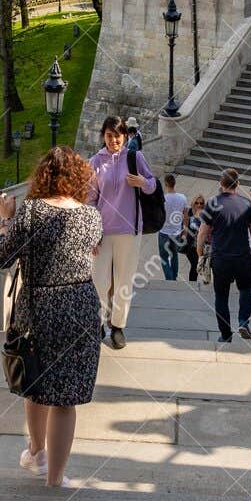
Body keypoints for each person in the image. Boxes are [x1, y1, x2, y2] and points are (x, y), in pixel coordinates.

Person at [0, 146, 103, 489]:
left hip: (39, 305)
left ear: (42, 177)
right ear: (78, 178)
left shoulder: (30, 213)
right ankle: (56, 478)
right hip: (81, 303)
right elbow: (92, 249)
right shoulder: (91, 216)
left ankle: (36, 451)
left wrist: (5, 218)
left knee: (36, 378)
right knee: (66, 398)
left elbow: (0, 257)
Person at [86, 115, 158, 349]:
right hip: (103, 233)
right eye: (109, 136)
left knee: (124, 283)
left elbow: (152, 184)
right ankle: (97, 324)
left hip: (129, 231)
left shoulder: (135, 157)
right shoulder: (95, 162)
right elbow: (90, 200)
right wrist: (91, 233)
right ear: (103, 137)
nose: (113, 140)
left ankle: (117, 327)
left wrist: (141, 183)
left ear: (125, 136)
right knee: (99, 281)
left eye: (117, 135)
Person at [199, 168, 251, 343]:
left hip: (221, 257)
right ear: (238, 184)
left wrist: (199, 250)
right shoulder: (247, 204)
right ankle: (243, 321)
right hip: (242, 256)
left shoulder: (212, 203)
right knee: (246, 289)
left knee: (221, 296)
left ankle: (225, 334)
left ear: (221, 184)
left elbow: (203, 232)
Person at [160, 171, 189, 282]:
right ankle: (174, 277)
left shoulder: (163, 198)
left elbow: (159, 215)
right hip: (176, 232)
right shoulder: (182, 198)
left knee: (164, 257)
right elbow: (186, 216)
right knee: (174, 255)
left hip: (164, 231)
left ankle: (169, 278)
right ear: (174, 183)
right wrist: (185, 231)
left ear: (166, 184)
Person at [184, 193, 207, 284]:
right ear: (193, 203)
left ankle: (202, 282)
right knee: (194, 264)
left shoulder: (205, 215)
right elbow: (184, 225)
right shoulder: (189, 212)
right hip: (190, 245)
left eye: (201, 203)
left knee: (200, 265)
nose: (199, 205)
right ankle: (192, 283)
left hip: (201, 245)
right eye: (197, 203)